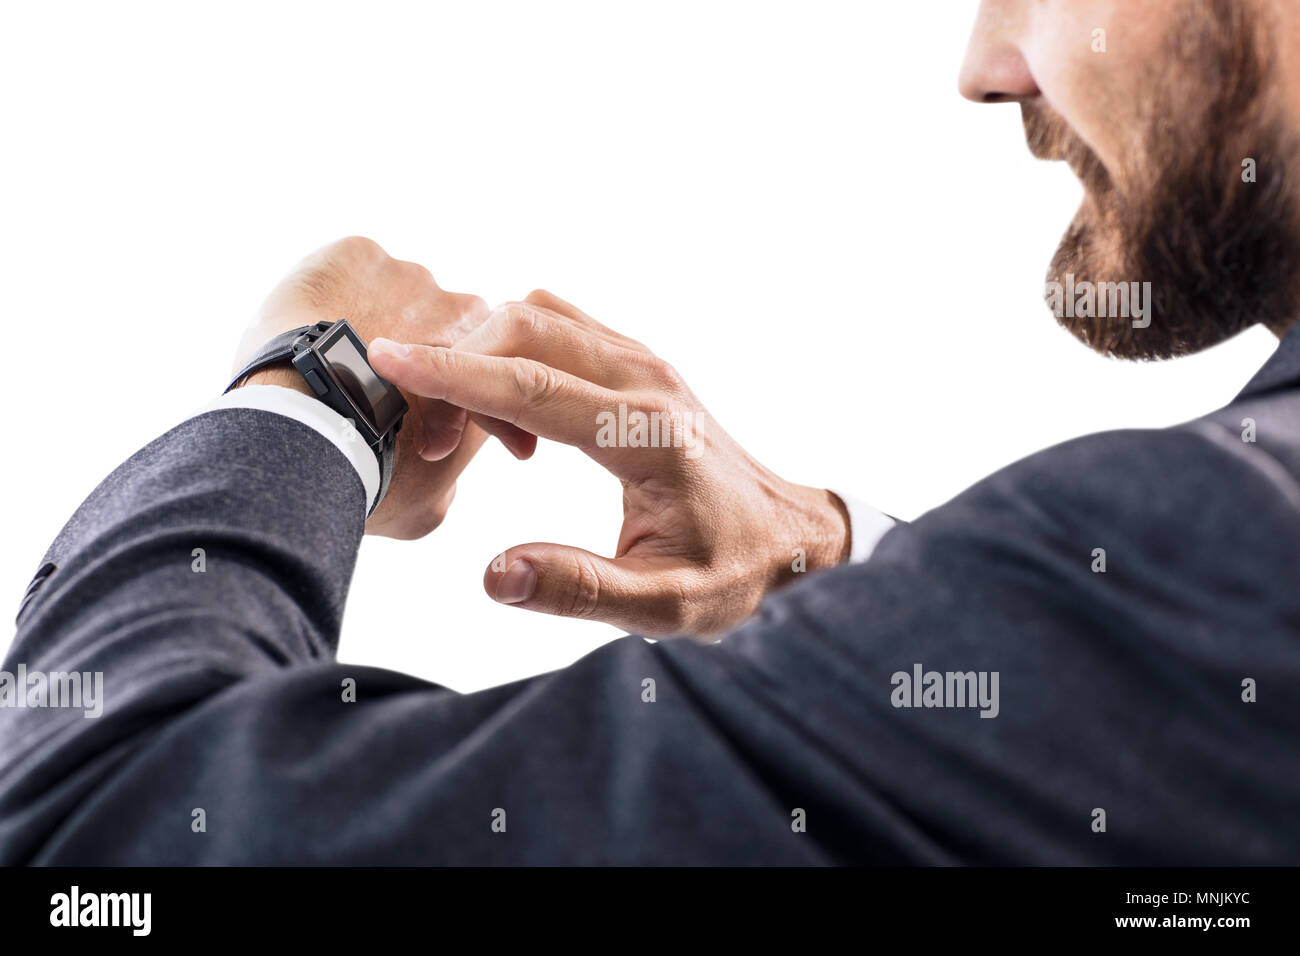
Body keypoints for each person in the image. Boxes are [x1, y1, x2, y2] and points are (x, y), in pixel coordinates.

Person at [2, 0, 1298, 864]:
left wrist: (309, 400)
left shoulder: (1216, 558)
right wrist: (858, 589)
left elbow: (98, 830)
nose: (987, 63)